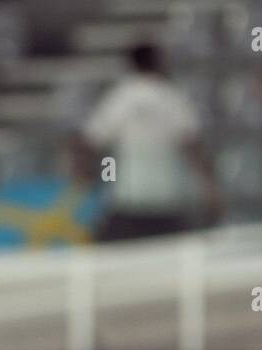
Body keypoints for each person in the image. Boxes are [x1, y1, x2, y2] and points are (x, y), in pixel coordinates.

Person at [79, 43, 221, 240]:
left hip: (128, 195)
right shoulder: (171, 96)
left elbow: (92, 141)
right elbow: (192, 145)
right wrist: (209, 187)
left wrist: (87, 180)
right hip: (167, 196)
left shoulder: (119, 97)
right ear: (158, 62)